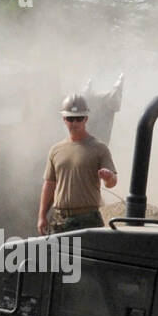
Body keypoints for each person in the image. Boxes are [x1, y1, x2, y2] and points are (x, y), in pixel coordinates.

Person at [37, 94, 118, 235]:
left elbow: (112, 182)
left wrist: (108, 177)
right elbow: (49, 185)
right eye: (70, 118)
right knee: (60, 257)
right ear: (64, 119)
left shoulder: (99, 148)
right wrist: (42, 216)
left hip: (88, 219)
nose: (74, 123)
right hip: (60, 220)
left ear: (86, 119)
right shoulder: (56, 150)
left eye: (79, 118)